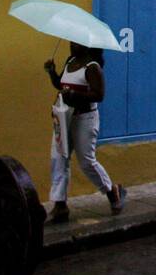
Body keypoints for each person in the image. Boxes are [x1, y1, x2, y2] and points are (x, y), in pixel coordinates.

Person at [45, 42, 127, 223]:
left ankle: (112, 191)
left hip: (84, 119)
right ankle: (60, 206)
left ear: (87, 46)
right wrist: (52, 72)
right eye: (71, 42)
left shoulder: (92, 67)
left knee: (86, 162)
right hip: (64, 117)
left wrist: (74, 96)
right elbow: (62, 84)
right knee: (58, 158)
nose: (72, 45)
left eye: (76, 43)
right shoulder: (70, 61)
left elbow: (99, 95)